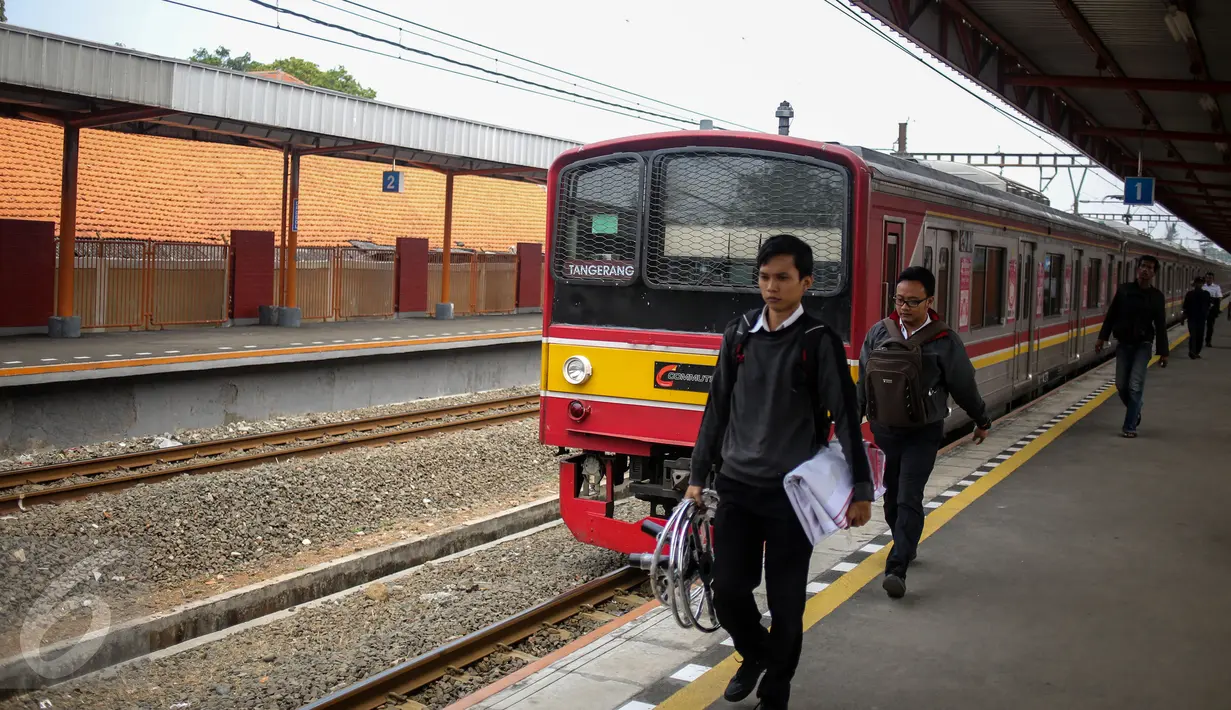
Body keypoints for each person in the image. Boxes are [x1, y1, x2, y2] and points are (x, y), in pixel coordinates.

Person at [686, 234, 872, 710]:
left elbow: (846, 414)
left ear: (806, 282)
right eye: (765, 277)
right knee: (728, 591)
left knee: (787, 602)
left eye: (783, 278)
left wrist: (862, 489)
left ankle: (776, 692)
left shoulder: (818, 340)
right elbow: (717, 407)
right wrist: (699, 475)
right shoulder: (739, 333)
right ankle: (756, 653)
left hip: (793, 494)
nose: (772, 287)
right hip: (738, 486)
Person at [856, 266, 990, 601]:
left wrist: (981, 419)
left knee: (908, 496)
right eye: (899, 300)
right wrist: (849, 424)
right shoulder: (879, 333)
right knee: (891, 499)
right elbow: (863, 383)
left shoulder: (944, 340)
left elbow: (963, 385)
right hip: (885, 429)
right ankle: (906, 542)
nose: (904, 307)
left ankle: (897, 567)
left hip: (923, 432)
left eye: (913, 302)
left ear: (929, 301)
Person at [1096, 255, 1168, 438]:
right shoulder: (1124, 290)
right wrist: (1102, 337)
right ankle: (1135, 409)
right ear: (1138, 269)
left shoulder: (1157, 297)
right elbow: (1111, 315)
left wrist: (1163, 352)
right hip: (1124, 343)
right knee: (1121, 384)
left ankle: (1130, 426)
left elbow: (1160, 325)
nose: (1145, 270)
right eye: (1143, 266)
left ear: (1154, 273)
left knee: (1135, 385)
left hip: (1143, 345)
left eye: (1150, 268)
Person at [1183, 277, 1213, 359]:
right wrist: (1183, 317)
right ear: (1195, 284)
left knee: (1199, 336)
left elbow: (1209, 306)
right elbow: (1185, 306)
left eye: (1200, 283)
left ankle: (1196, 352)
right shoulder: (1190, 294)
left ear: (1202, 284)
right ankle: (1192, 351)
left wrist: (1207, 315)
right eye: (1198, 283)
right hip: (1192, 318)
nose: (1199, 284)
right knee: (1193, 335)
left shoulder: (1206, 294)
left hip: (1201, 319)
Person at [1203, 272, 1223, 347]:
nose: (1208, 279)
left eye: (1210, 278)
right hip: (1202, 309)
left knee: (1210, 326)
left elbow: (1219, 297)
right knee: (1200, 326)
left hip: (1211, 310)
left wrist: (1215, 306)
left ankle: (1208, 341)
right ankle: (1199, 340)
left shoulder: (1216, 287)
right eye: (1207, 278)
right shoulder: (1202, 286)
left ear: (1213, 279)